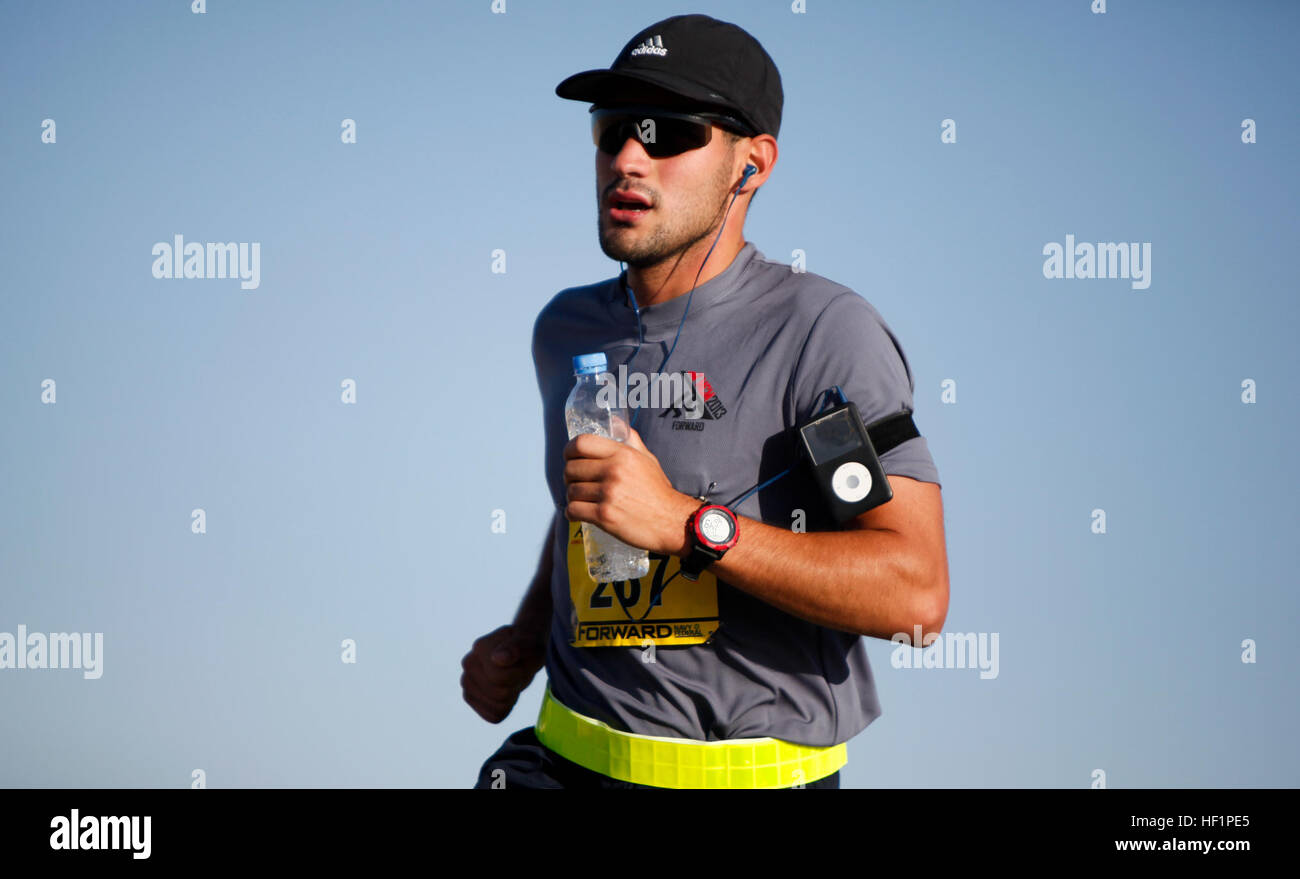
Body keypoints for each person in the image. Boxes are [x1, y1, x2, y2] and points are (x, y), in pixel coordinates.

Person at [463, 13, 949, 790]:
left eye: (667, 133)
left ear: (751, 165)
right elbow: (588, 504)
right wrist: (524, 637)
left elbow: (915, 590)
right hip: (562, 756)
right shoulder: (565, 329)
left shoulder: (823, 334)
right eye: (613, 128)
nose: (628, 156)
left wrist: (690, 526)